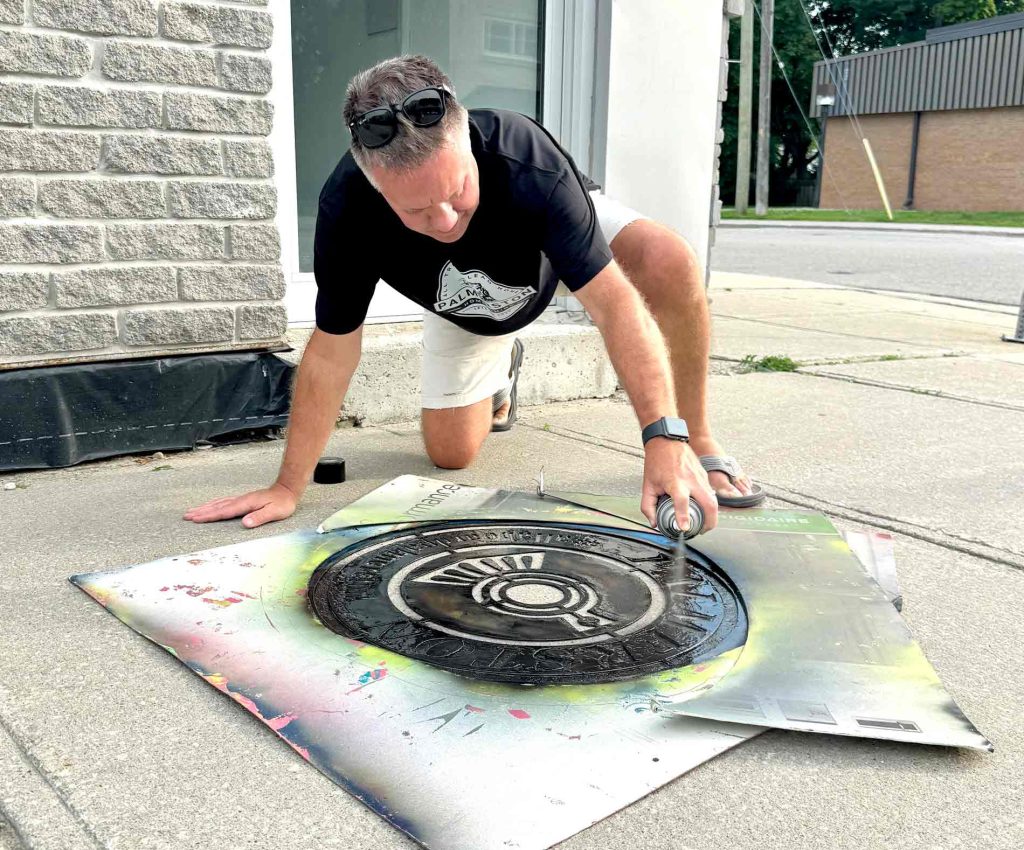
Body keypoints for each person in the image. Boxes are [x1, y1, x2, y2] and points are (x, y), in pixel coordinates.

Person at [185, 55, 764, 533]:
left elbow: (614, 306)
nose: (443, 221)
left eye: (458, 189)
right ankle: (502, 370)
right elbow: (333, 350)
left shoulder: (525, 160)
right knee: (450, 454)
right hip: (469, 300)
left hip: (545, 254)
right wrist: (289, 486)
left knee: (669, 259)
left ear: (467, 136)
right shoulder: (347, 211)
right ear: (372, 183)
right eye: (414, 209)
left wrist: (663, 436)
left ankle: (701, 436)